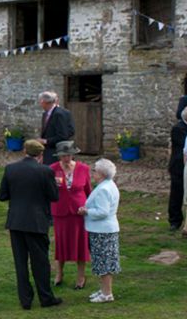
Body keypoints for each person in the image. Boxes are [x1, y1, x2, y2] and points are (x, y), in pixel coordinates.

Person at [0, 139, 62, 310]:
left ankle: (25, 300)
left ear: (24, 151)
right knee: (40, 261)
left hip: (16, 221)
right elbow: (54, 197)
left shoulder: (11, 169)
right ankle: (45, 297)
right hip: (36, 221)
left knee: (21, 262)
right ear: (40, 155)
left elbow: (2, 195)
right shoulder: (45, 171)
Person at [78, 158, 121, 304]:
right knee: (102, 261)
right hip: (105, 229)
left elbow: (103, 212)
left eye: (95, 170)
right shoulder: (108, 185)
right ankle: (103, 290)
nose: (92, 173)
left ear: (101, 174)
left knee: (104, 262)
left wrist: (87, 211)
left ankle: (107, 293)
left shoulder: (103, 189)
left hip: (103, 231)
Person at [50, 141, 91, 290]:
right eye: (63, 156)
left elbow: (88, 190)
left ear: (73, 154)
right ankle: (59, 273)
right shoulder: (52, 169)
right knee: (61, 243)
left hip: (78, 211)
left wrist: (88, 207)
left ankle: (81, 275)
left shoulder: (83, 168)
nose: (66, 158)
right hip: (60, 212)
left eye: (68, 155)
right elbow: (49, 191)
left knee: (80, 243)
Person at [38, 91, 74, 165]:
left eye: (40, 102)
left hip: (55, 151)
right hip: (48, 150)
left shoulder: (59, 114)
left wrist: (46, 141)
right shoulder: (46, 114)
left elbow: (64, 135)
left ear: (44, 102)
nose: (40, 104)